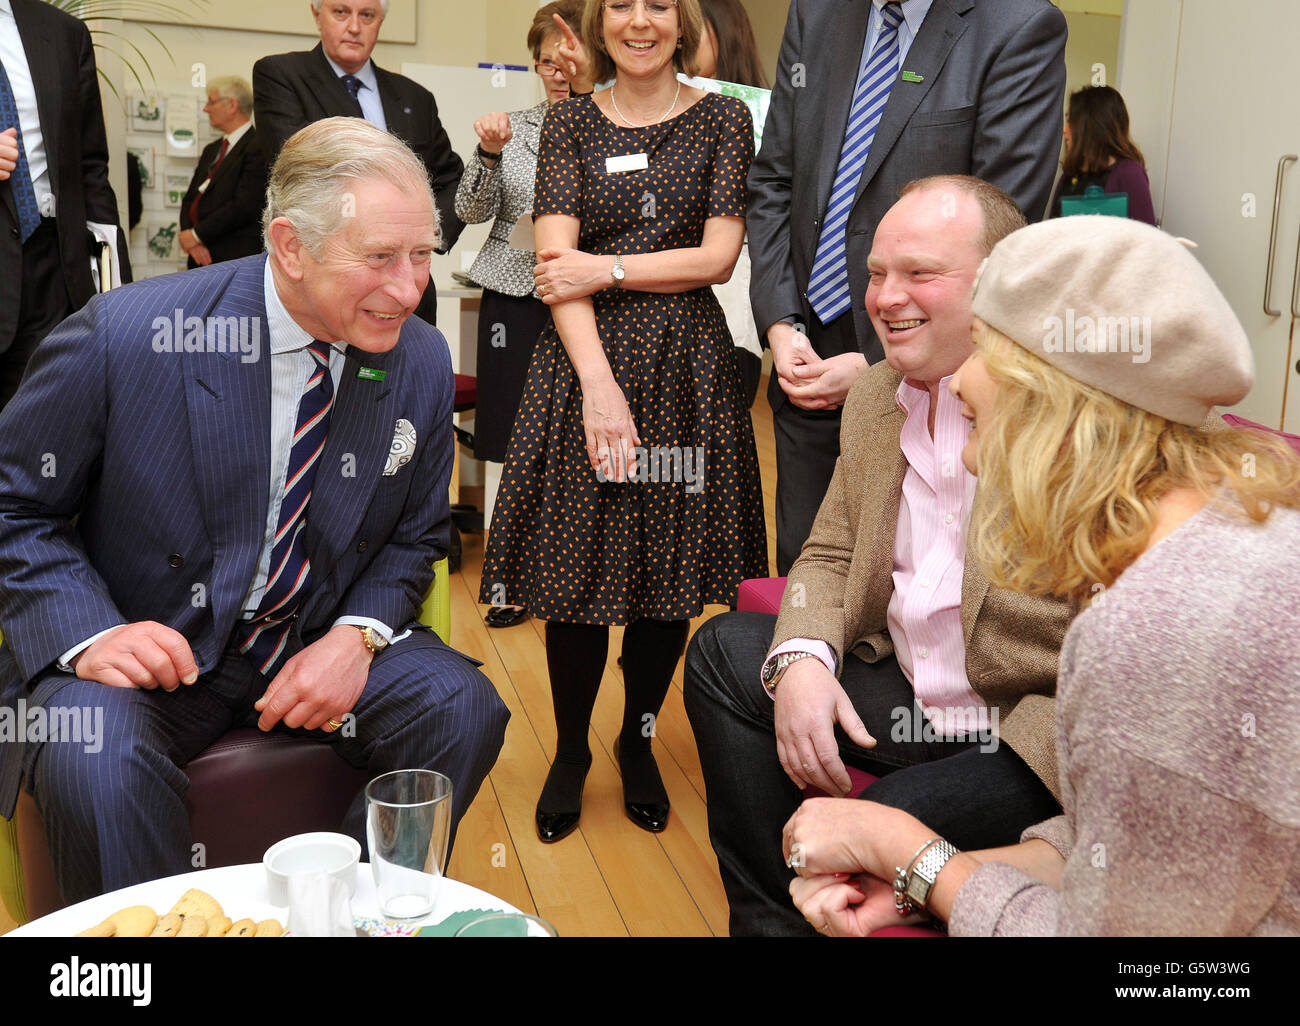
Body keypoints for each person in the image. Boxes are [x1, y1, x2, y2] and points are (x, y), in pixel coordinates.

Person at [0, 118, 509, 905]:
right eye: (378, 258)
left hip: (309, 634)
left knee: (461, 707)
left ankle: (339, 911)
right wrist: (91, 635)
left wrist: (356, 637)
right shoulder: (129, 337)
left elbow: (416, 537)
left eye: (422, 255)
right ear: (290, 246)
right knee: (92, 754)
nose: (410, 290)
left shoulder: (419, 358)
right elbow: (15, 505)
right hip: (152, 642)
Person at [784, 215, 1300, 936]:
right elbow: (1121, 862)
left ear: (1051, 396)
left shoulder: (1155, 632)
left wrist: (903, 848)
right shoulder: (1238, 535)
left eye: (987, 350)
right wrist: (919, 876)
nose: (960, 377)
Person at [684, 176, 1075, 936]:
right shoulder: (873, 397)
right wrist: (800, 657)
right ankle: (770, 926)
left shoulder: (1064, 418)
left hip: (1018, 731)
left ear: (1001, 283)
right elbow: (828, 550)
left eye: (920, 274)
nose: (885, 297)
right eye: (875, 274)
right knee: (723, 650)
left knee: (862, 830)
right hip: (901, 692)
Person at [480, 0, 766, 843]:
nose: (640, 22)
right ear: (599, 26)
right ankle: (571, 752)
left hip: (689, 369)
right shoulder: (568, 124)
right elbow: (552, 272)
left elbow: (716, 258)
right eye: (622, 7)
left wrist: (602, 265)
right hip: (583, 367)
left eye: (659, 7)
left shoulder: (722, 119)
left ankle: (637, 738)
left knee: (667, 568)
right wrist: (599, 383)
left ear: (683, 24)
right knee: (572, 574)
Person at [748, 0, 1068, 575]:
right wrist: (781, 323)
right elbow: (774, 179)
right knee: (805, 570)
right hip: (806, 357)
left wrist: (878, 363)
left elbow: (1002, 228)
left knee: (912, 587)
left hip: (934, 376)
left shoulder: (1019, 25)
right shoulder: (817, 14)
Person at [458, 0, 590, 630]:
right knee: (514, 435)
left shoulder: (615, 126)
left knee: (578, 437)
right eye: (547, 62)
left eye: (569, 61)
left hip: (595, 300)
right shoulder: (510, 126)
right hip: (515, 297)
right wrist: (487, 156)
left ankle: (572, 568)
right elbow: (471, 210)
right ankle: (509, 577)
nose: (558, 73)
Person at [252, 0, 465, 325]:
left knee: (409, 373)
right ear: (316, 14)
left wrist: (423, 236)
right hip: (323, 283)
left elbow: (452, 179)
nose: (354, 27)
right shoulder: (281, 75)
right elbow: (295, 172)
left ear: (379, 21)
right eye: (341, 12)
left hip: (409, 292)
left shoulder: (415, 97)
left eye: (367, 15)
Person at [0, 0, 132, 411]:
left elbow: (90, 166)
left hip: (52, 269)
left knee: (44, 435)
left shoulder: (62, 32)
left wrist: (117, 286)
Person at [693, 0, 767, 408]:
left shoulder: (760, 117)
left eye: (692, 25)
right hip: (648, 312)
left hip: (730, 308)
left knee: (705, 461)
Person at [179, 76, 268, 269]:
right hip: (200, 259)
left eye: (211, 102)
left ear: (232, 105)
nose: (206, 108)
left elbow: (244, 205)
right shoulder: (212, 149)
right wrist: (191, 239)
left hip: (233, 259)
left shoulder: (258, 147)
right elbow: (190, 199)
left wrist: (196, 235)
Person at [1047, 85, 1157, 225]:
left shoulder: (1129, 173)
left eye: (1070, 121)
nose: (1064, 130)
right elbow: (1050, 235)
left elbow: (1147, 240)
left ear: (1090, 124)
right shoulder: (1068, 177)